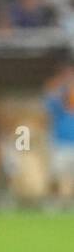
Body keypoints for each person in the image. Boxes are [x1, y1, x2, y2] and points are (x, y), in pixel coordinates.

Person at [45, 59, 74, 208]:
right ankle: (53, 204)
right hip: (60, 142)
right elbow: (50, 110)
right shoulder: (55, 90)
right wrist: (62, 89)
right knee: (56, 175)